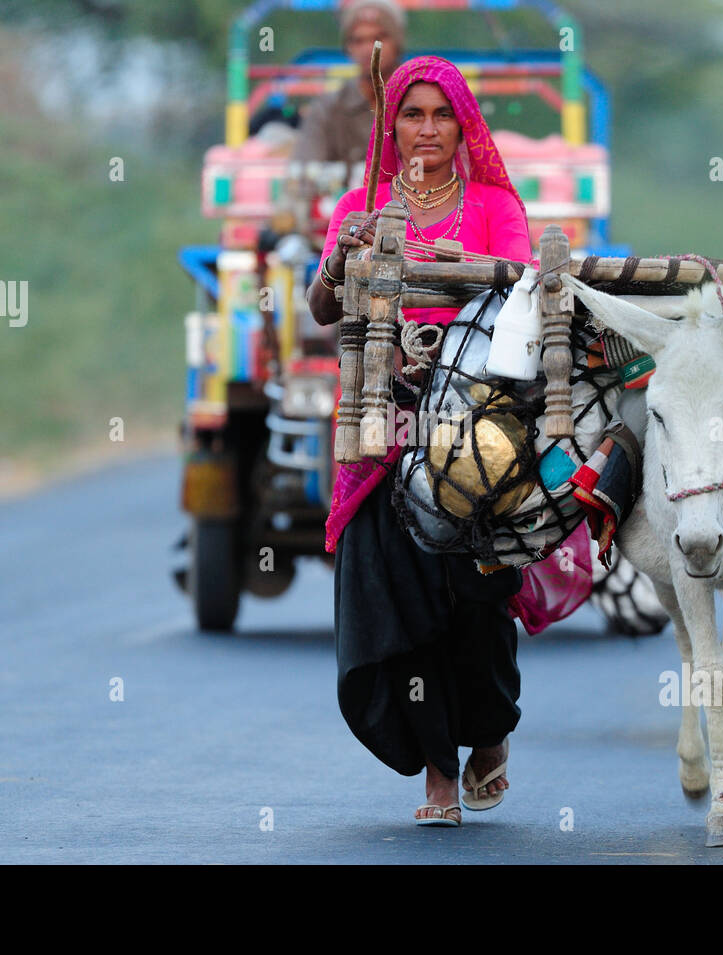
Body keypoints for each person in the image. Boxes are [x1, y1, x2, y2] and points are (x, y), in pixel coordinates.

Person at [308, 56, 534, 827]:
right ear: (391, 124)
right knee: (400, 601)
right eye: (412, 114)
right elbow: (320, 305)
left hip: (474, 431)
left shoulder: (496, 207)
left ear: (462, 122)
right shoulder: (359, 203)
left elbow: (524, 294)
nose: (427, 129)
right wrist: (347, 251)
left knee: (473, 592)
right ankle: (440, 775)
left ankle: (490, 729)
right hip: (382, 430)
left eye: (441, 114)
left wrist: (436, 266)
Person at [293, 0, 406, 167]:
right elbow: (304, 176)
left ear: (397, 43)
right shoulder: (328, 110)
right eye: (358, 41)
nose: (369, 49)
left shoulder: (420, 103)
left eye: (378, 38)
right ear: (348, 48)